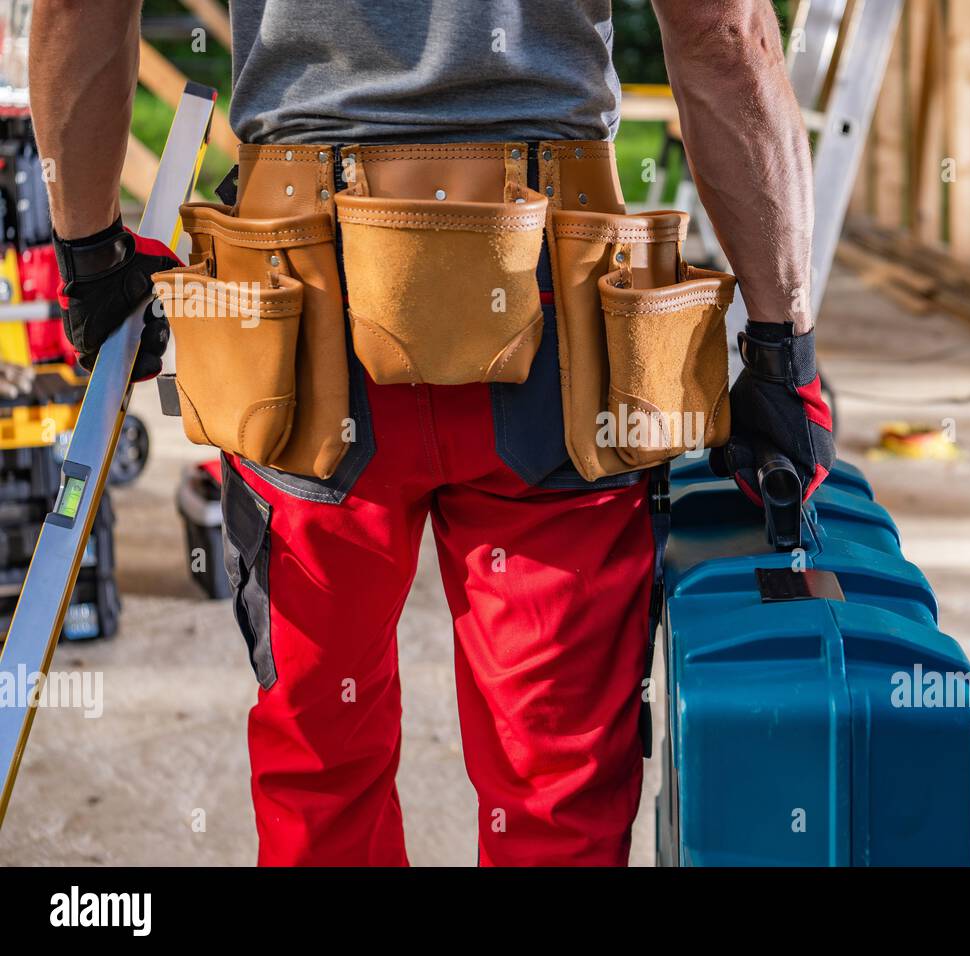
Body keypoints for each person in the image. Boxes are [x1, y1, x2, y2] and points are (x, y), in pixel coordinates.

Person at [29, 0, 834, 866]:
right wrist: (783, 349)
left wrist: (90, 254)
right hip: (551, 326)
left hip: (306, 319)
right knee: (553, 784)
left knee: (320, 770)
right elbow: (722, 32)